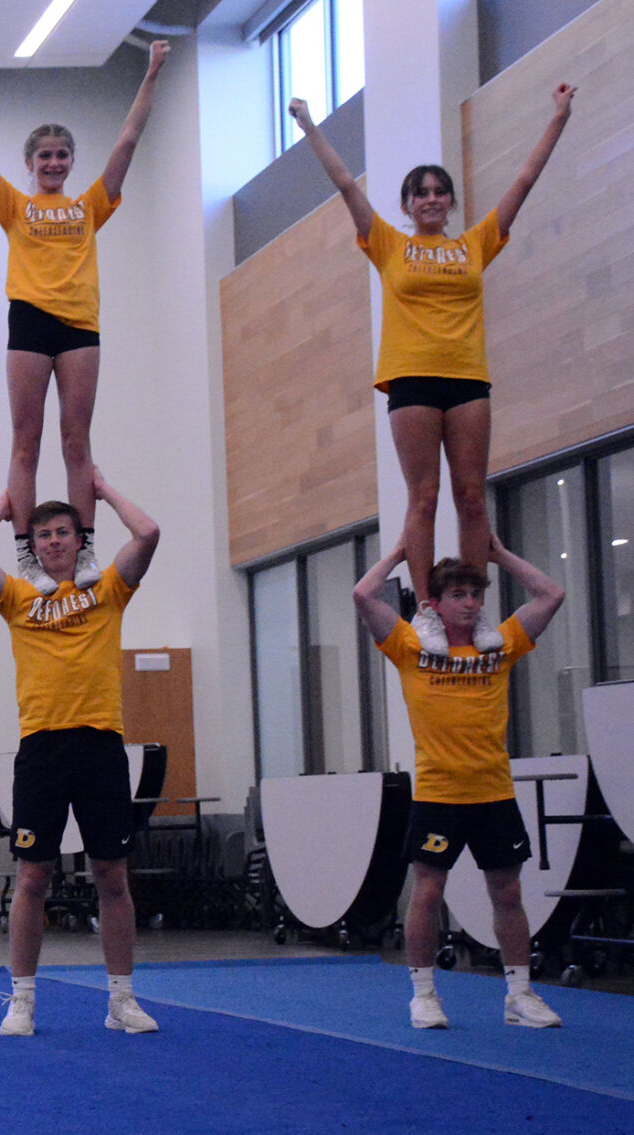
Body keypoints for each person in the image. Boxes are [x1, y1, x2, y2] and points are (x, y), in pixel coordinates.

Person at [290, 84, 575, 654]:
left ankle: (472, 605)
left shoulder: (474, 245)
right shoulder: (388, 245)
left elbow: (524, 181)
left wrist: (559, 117)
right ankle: (426, 610)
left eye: (440, 192)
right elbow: (347, 185)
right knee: (423, 497)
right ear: (405, 205)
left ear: (450, 202)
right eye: (420, 193)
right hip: (411, 378)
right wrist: (309, 125)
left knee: (472, 497)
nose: (431, 199)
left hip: (468, 378)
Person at [0, 43, 169, 596]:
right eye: (45, 156)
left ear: (71, 163)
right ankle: (27, 553)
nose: (54, 163)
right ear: (30, 163)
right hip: (29, 323)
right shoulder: (13, 205)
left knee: (76, 442)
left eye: (62, 156)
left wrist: (151, 71)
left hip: (79, 327)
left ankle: (86, 548)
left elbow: (128, 139)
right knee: (25, 443)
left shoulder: (89, 207)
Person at [0, 469, 161, 1036]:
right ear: (33, 545)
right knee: (32, 877)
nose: (52, 542)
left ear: (78, 539)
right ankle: (22, 999)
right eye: (42, 535)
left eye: (62, 533)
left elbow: (148, 534)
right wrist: (2, 509)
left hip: (99, 744)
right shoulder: (20, 596)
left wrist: (105, 489)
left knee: (112, 876)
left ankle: (121, 999)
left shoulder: (107, 589)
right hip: (42, 747)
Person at [354, 535, 565, 1030]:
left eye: (476, 595)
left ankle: (519, 994)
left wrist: (499, 554)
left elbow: (551, 595)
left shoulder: (501, 647)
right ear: (436, 603)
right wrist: (400, 553)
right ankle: (424, 995)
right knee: (427, 893)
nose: (469, 604)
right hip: (438, 794)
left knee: (508, 894)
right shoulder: (410, 647)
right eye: (458, 595)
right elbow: (364, 595)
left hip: (494, 792)